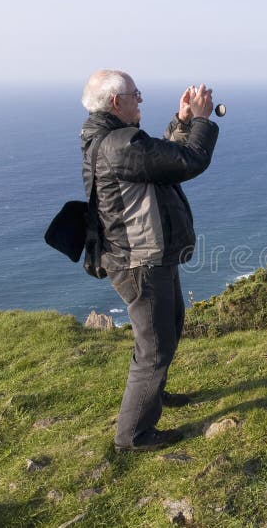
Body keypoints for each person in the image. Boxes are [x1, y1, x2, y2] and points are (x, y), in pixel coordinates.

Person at [79, 69, 219, 452]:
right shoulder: (119, 145)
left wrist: (183, 121)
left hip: (148, 255)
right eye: (136, 94)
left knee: (167, 329)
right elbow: (188, 160)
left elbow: (159, 156)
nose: (140, 100)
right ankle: (134, 436)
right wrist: (204, 121)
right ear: (115, 102)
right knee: (154, 346)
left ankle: (152, 395)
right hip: (140, 261)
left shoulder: (115, 139)